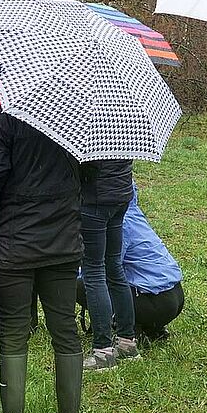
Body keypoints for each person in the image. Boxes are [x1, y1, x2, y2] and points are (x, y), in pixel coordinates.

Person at [0, 91, 85, 413]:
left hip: (13, 241)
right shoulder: (80, 121)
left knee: (14, 331)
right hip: (63, 240)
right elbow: (91, 179)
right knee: (64, 329)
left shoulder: (7, 117)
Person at [78, 155, 138, 371]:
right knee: (114, 267)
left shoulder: (89, 126)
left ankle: (103, 351)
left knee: (94, 271)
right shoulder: (125, 122)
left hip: (95, 198)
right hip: (121, 194)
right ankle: (127, 342)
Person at [120, 193, 185, 343]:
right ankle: (152, 329)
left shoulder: (118, 221)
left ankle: (128, 334)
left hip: (156, 303)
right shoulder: (133, 212)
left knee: (83, 282)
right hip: (176, 295)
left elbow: (105, 267)